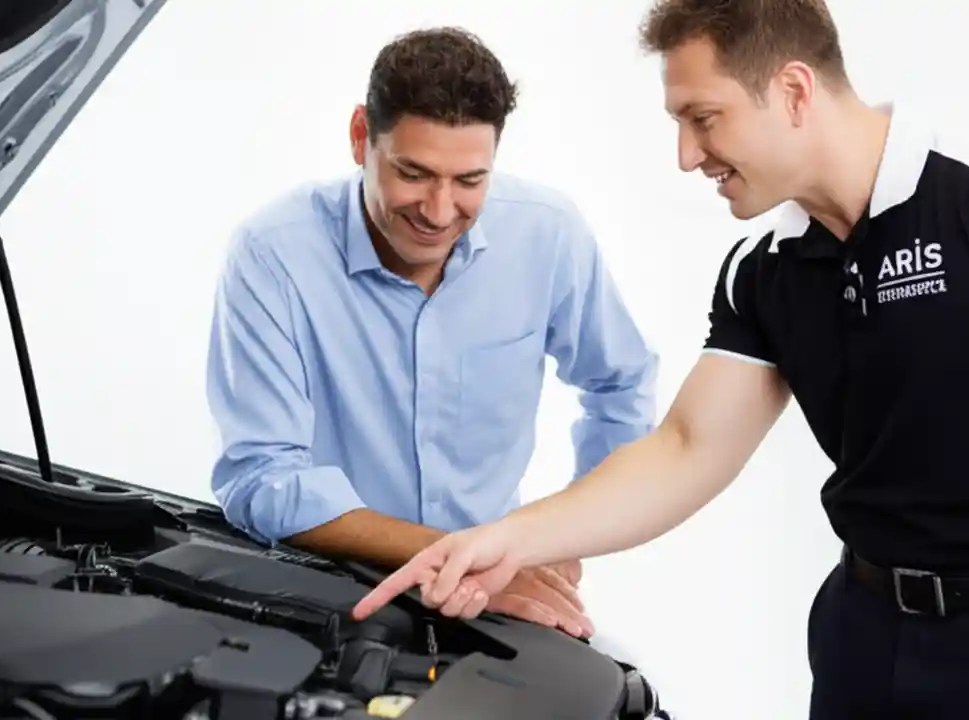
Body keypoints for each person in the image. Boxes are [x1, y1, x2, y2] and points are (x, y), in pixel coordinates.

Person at [351, 2, 969, 719]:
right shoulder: (765, 266)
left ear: (792, 91)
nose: (685, 153)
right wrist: (507, 541)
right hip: (862, 633)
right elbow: (685, 450)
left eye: (702, 118)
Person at [205, 27, 659, 644]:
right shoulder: (273, 255)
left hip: (496, 590)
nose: (440, 211)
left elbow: (621, 382)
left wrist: (569, 533)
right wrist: (469, 558)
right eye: (414, 174)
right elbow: (264, 478)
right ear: (361, 137)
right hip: (333, 588)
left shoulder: (547, 234)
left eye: (470, 180)